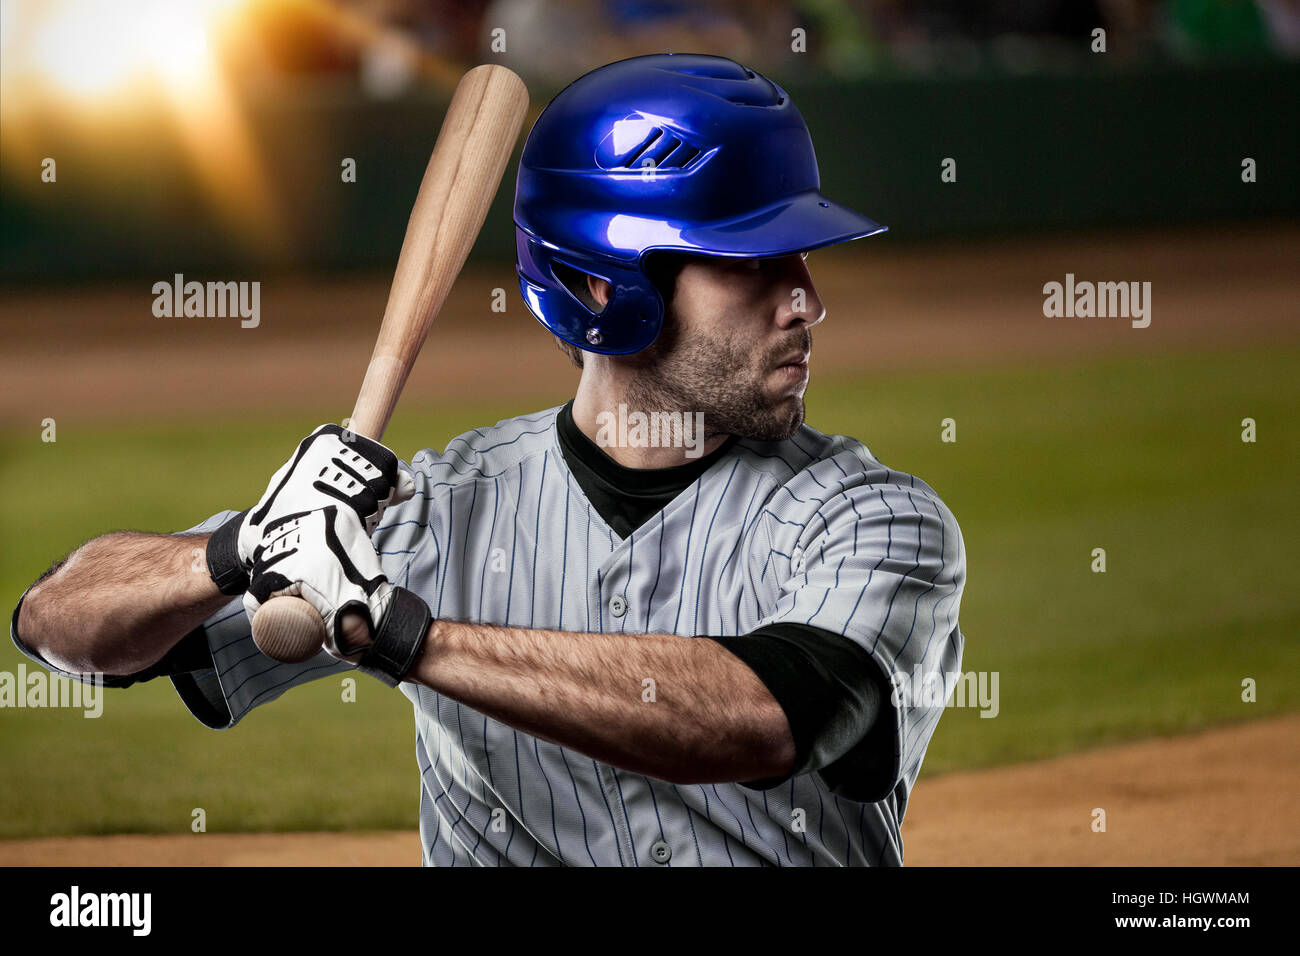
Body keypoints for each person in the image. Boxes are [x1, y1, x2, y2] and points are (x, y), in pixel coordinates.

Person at [13, 54, 965, 866]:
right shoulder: (438, 512)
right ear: (603, 283)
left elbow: (764, 718)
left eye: (801, 261)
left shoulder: (874, 519)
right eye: (754, 264)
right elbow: (58, 625)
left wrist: (400, 633)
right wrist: (236, 553)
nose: (805, 302)